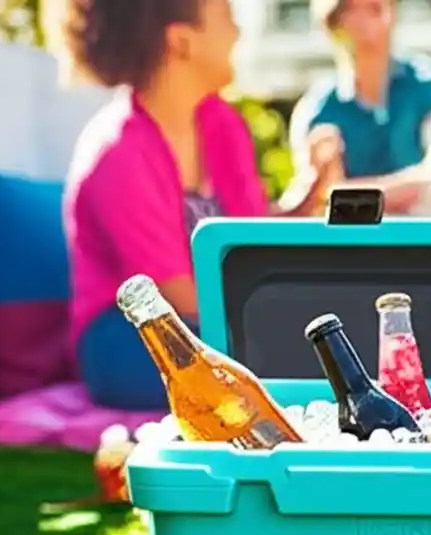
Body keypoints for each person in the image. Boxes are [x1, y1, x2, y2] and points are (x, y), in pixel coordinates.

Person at [61, 0, 335, 410]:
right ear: (182, 41)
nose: (238, 33)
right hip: (129, 339)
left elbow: (247, 243)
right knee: (280, 360)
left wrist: (303, 202)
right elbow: (174, 297)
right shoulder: (118, 153)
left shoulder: (221, 124)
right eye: (226, 16)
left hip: (207, 320)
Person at [290, 0, 431, 215]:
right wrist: (320, 183)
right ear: (332, 23)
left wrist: (341, 193)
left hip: (421, 241)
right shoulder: (317, 108)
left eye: (374, 8)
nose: (363, 21)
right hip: (351, 244)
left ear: (392, 12)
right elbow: (309, 203)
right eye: (349, 9)